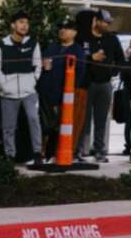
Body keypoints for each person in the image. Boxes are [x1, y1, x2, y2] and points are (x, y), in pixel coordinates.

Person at [0, 11, 44, 165]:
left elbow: (38, 65)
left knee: (34, 120)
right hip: (8, 94)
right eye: (21, 22)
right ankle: (10, 155)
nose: (24, 25)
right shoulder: (2, 44)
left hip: (29, 92)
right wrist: (4, 85)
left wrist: (33, 81)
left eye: (26, 23)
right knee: (8, 126)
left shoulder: (33, 43)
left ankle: (37, 153)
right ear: (13, 25)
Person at [79, 9, 124, 162]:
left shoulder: (112, 39)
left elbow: (121, 60)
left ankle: (99, 150)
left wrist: (113, 72)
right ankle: (80, 150)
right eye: (104, 22)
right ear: (95, 21)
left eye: (108, 22)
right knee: (83, 119)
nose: (107, 25)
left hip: (104, 84)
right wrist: (91, 57)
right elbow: (76, 58)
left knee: (101, 119)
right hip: (87, 84)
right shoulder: (83, 38)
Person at [39, 19, 86, 161]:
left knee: (58, 126)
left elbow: (79, 75)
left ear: (75, 33)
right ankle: (42, 153)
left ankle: (53, 153)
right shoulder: (52, 47)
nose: (63, 30)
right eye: (62, 28)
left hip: (64, 96)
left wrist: (70, 95)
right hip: (46, 93)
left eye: (67, 28)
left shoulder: (78, 51)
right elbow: (41, 63)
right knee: (45, 125)